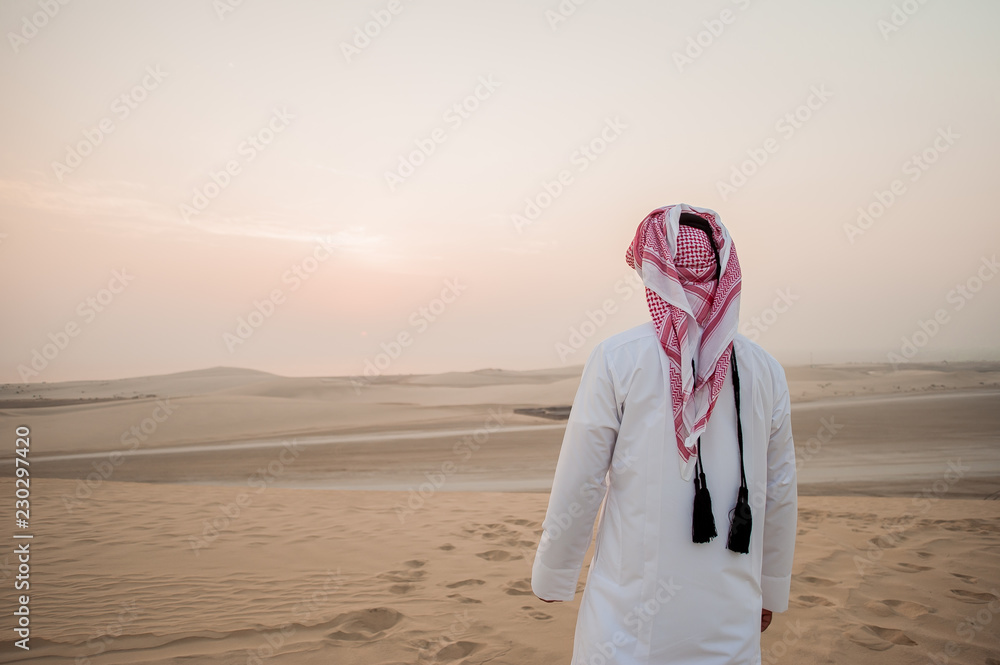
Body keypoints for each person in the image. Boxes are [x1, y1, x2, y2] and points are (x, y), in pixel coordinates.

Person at [530, 203, 797, 664]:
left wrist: (554, 574)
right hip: (731, 625)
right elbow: (780, 491)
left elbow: (582, 477)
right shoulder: (766, 371)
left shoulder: (617, 358)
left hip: (626, 625)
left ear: (655, 272)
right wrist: (771, 590)